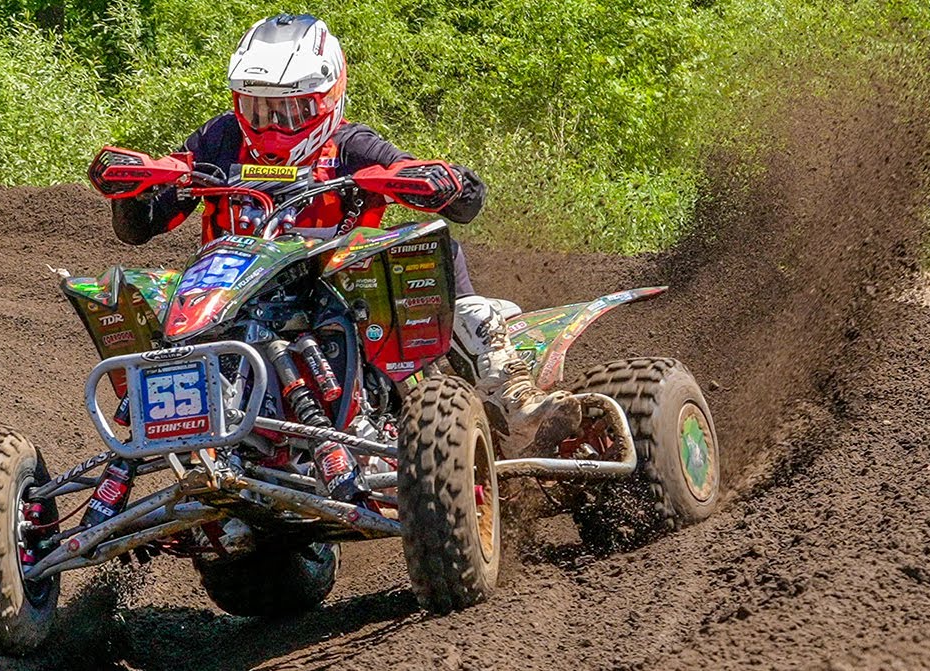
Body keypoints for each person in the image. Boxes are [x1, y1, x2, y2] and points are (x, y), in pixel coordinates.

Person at [108, 13, 583, 457]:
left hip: (340, 302)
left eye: (290, 111)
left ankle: (510, 393)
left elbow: (461, 201)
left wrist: (442, 183)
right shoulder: (219, 139)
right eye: (258, 108)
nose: (272, 125)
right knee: (139, 298)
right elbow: (142, 226)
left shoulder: (352, 146)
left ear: (328, 100)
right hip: (235, 306)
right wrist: (130, 190)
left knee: (426, 246)